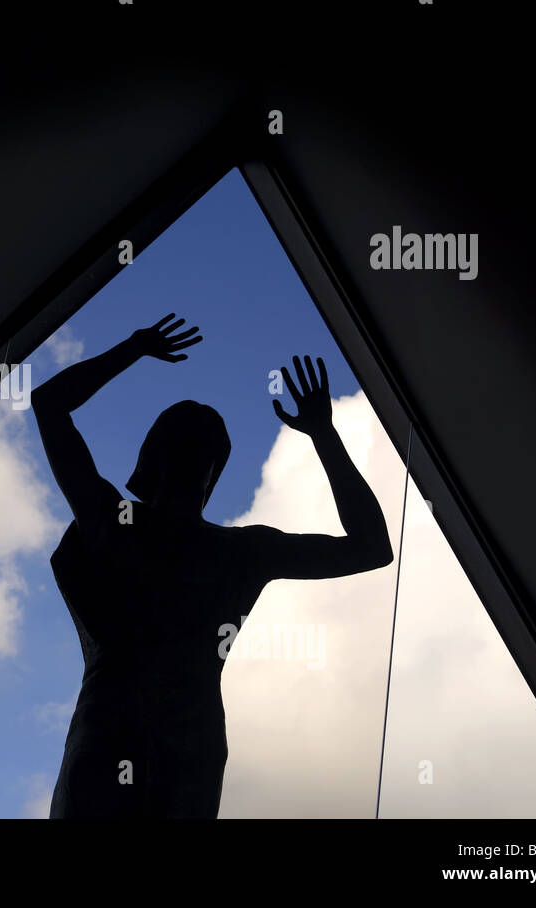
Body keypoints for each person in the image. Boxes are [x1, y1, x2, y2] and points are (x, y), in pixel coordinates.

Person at [31, 313, 394, 818]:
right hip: (141, 737)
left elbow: (372, 549)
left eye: (204, 453)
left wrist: (324, 435)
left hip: (171, 746)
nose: (194, 464)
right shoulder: (149, 530)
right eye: (187, 448)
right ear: (157, 459)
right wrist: (133, 347)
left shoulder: (171, 535)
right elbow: (47, 404)